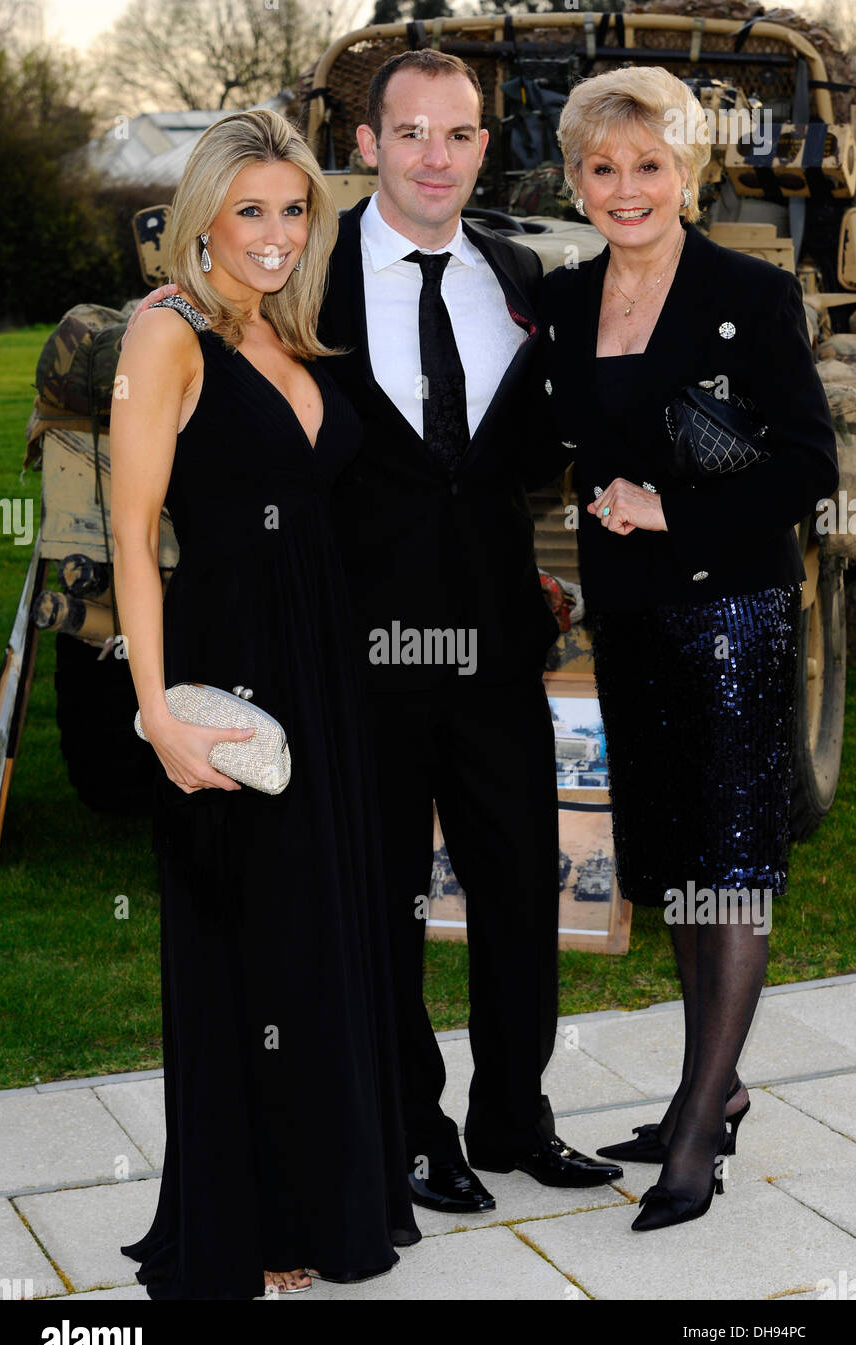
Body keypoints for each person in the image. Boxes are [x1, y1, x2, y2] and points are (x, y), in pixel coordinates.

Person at [132, 50, 623, 1216]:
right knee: (385, 900)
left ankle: (519, 1116)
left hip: (502, 646)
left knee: (518, 892)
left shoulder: (521, 277)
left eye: (458, 135)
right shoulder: (304, 275)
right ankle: (414, 1129)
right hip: (358, 655)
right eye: (410, 134)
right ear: (367, 146)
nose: (435, 158)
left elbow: (536, 450)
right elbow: (223, 406)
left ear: (482, 147)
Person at [110, 107, 419, 1299]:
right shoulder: (167, 332)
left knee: (320, 938)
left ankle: (324, 1203)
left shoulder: (289, 328)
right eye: (252, 211)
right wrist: (158, 714)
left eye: (295, 210)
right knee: (250, 946)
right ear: (204, 217)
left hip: (324, 669)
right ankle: (253, 1227)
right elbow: (135, 540)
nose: (278, 232)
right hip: (226, 680)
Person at [540, 65, 838, 1230]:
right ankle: (703, 1091)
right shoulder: (564, 302)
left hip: (730, 614)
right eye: (601, 169)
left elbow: (808, 467)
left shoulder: (748, 296)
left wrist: (674, 509)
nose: (625, 189)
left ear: (687, 171)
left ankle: (699, 1128)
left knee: (730, 865)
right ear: (575, 179)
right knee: (673, 863)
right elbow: (554, 438)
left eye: (648, 165)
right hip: (627, 615)